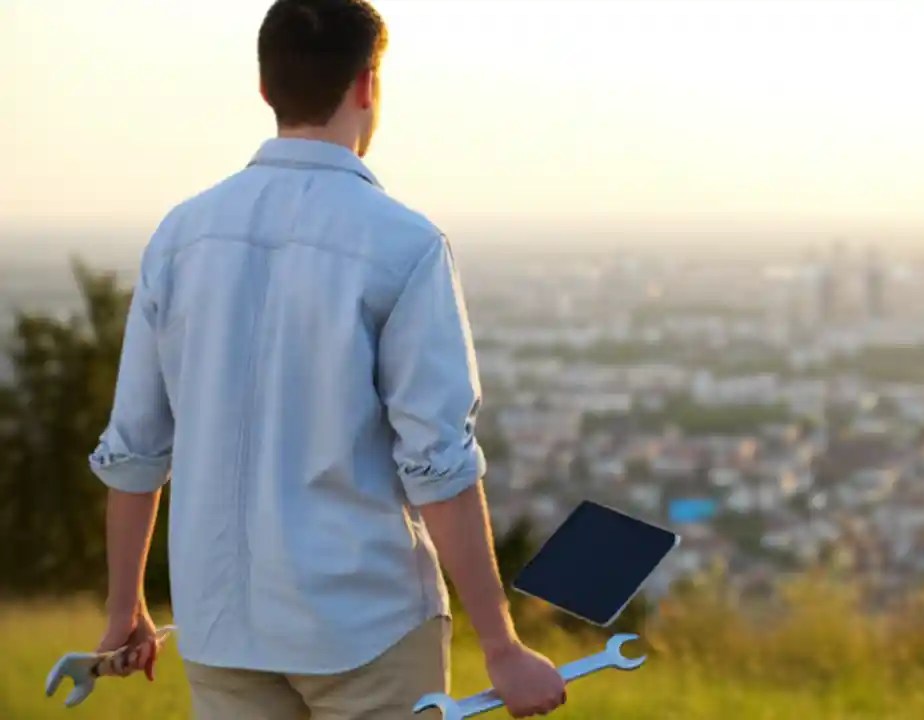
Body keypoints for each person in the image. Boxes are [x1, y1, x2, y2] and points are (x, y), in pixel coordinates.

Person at [87, 1, 567, 717]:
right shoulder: (405, 245)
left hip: (221, 629)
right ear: (367, 84)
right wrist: (500, 645)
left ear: (264, 87)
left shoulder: (180, 237)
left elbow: (135, 448)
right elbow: (437, 461)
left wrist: (125, 605)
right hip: (366, 623)